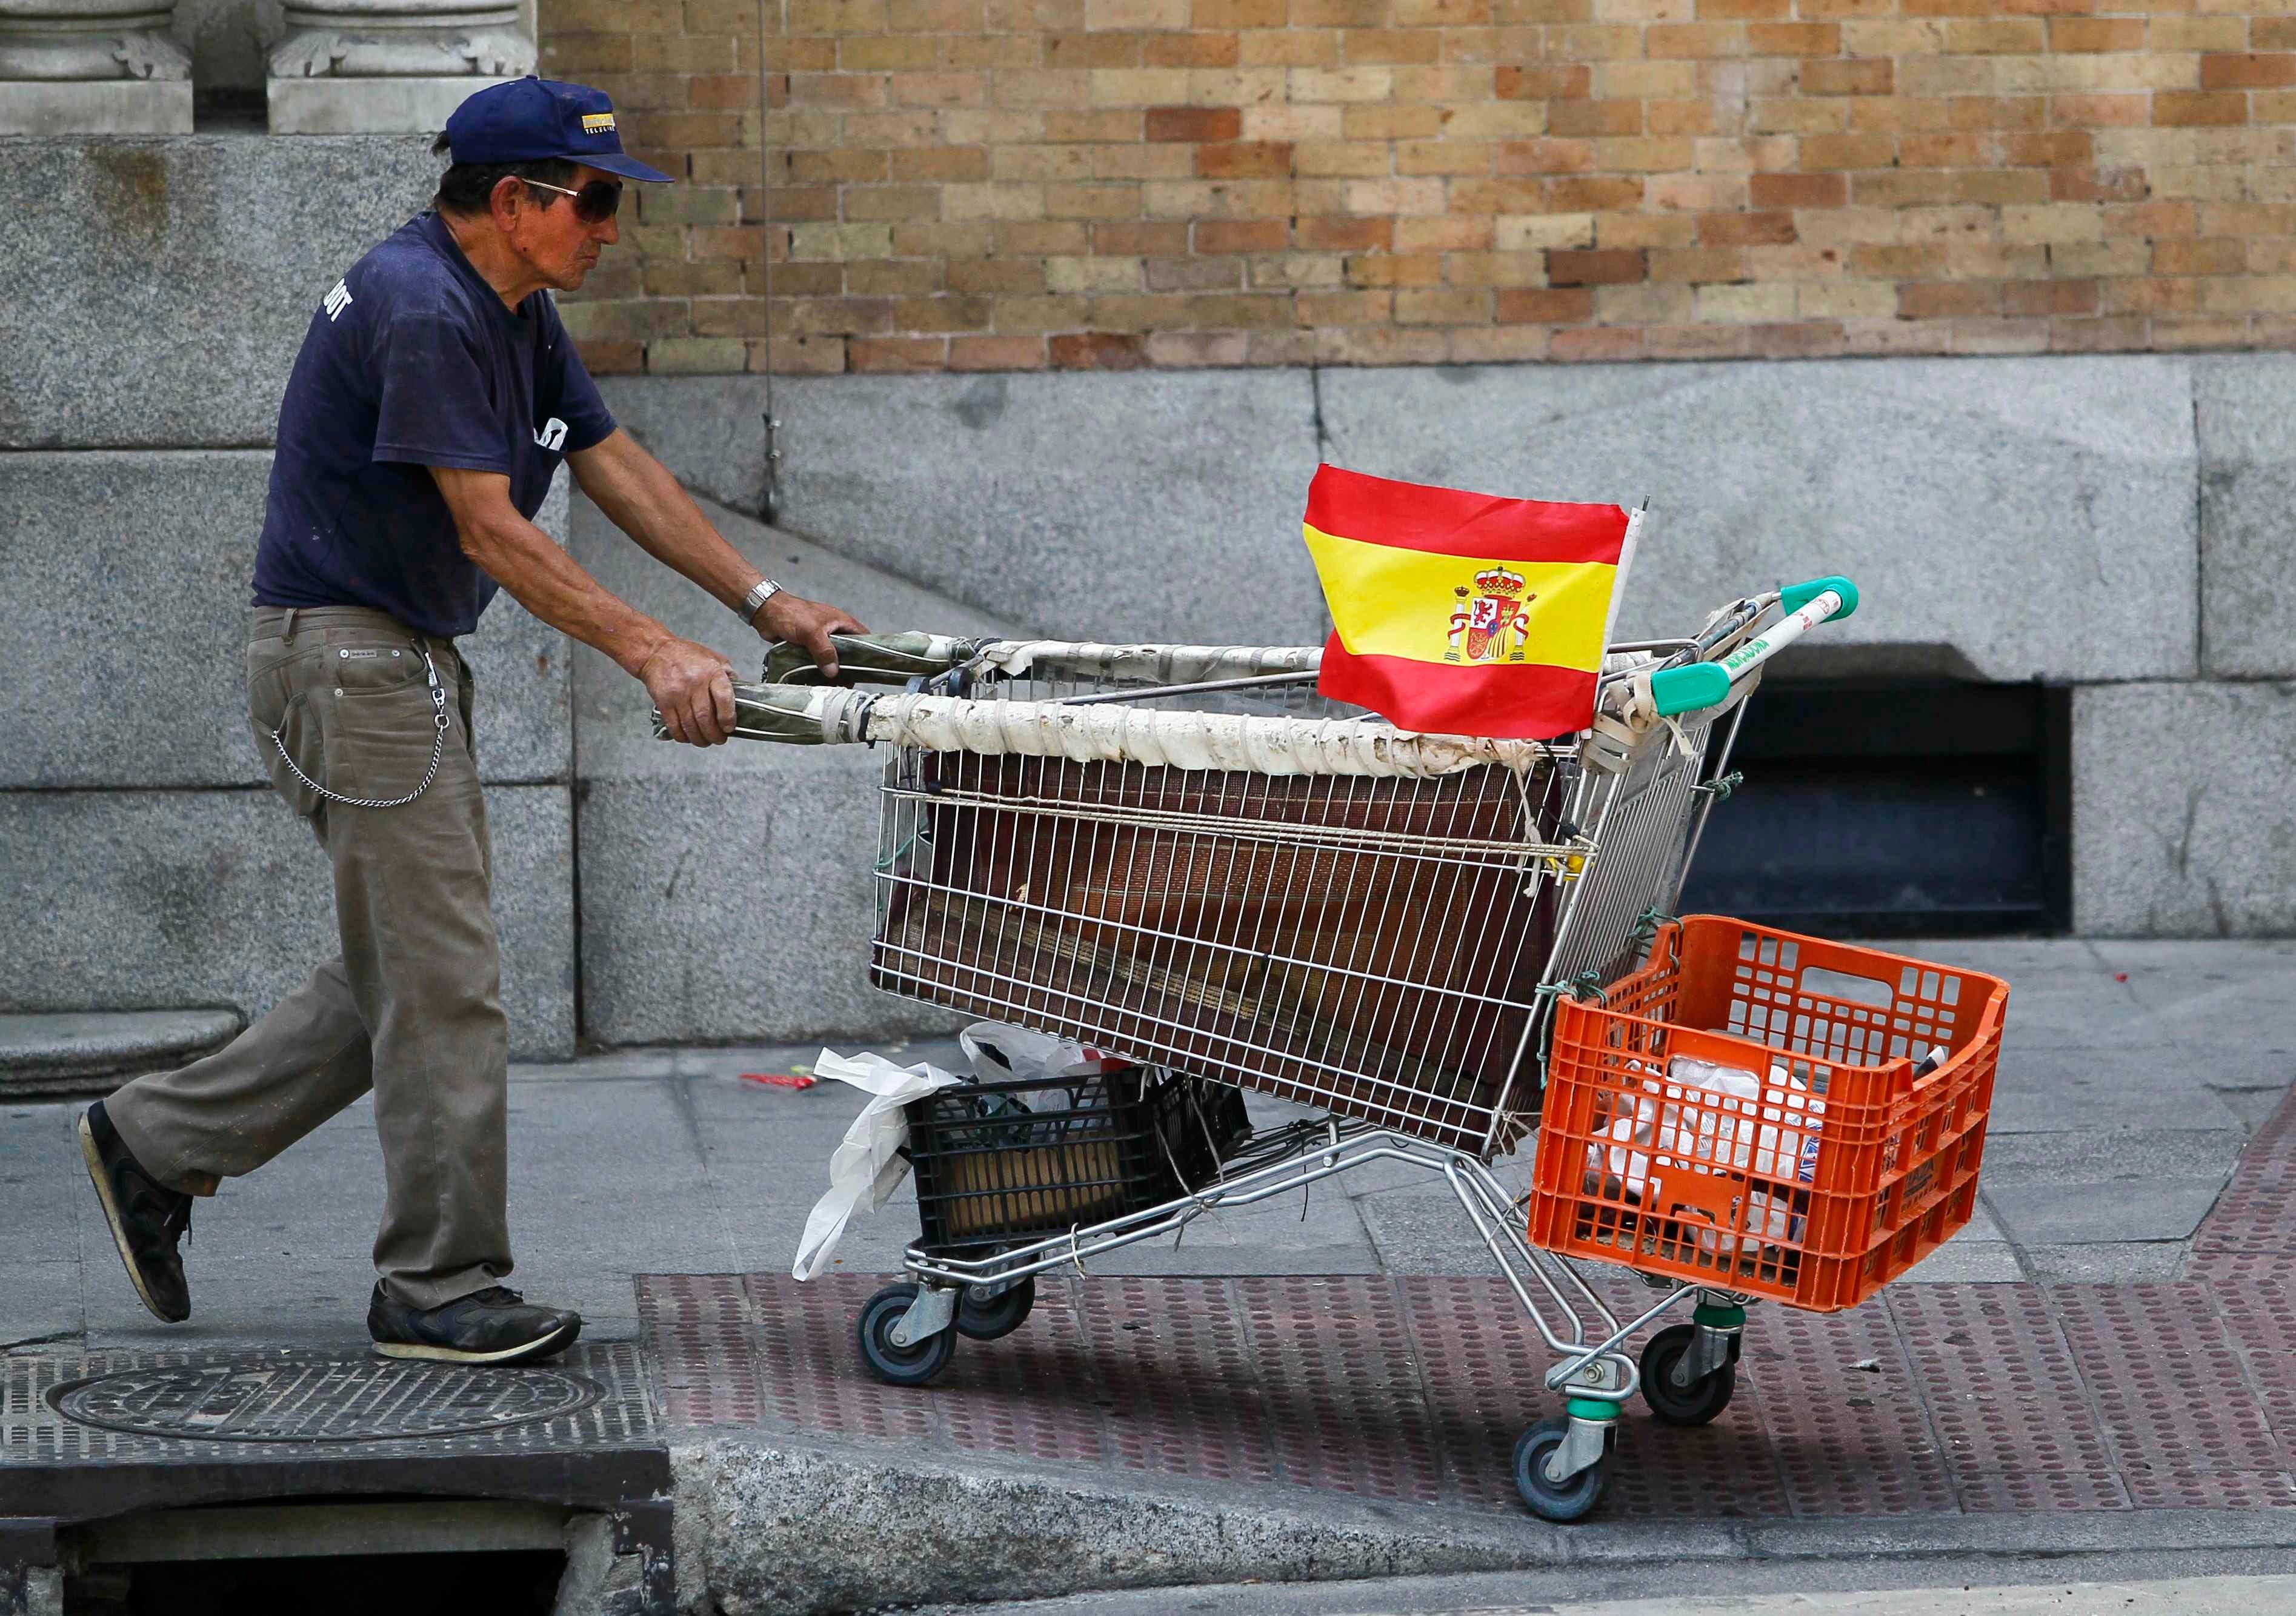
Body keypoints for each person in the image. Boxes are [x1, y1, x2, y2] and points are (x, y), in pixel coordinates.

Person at [78, 75, 863, 1366]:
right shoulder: (423, 307)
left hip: (385, 659)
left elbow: (611, 461)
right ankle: (436, 1288)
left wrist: (764, 600)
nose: (611, 229)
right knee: (441, 980)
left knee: (414, 964)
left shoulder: (509, 301)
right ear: (515, 201)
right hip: (348, 665)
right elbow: (489, 526)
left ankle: (153, 1139)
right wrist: (651, 647)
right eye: (596, 202)